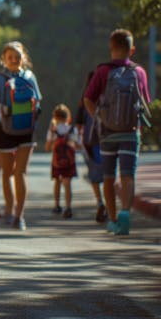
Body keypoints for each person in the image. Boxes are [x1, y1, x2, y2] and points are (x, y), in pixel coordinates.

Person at [83, 29, 151, 236]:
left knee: (109, 177)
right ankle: (124, 213)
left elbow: (88, 99)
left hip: (108, 134)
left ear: (111, 48)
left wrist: (100, 118)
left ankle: (113, 221)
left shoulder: (102, 71)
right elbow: (145, 102)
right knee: (128, 175)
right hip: (131, 132)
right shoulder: (139, 72)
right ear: (132, 49)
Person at [0, 41, 42, 231]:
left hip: (6, 131)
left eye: (16, 57)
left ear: (22, 58)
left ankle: (12, 212)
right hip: (27, 131)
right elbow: (38, 105)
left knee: (8, 174)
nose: (14, 60)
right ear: (4, 59)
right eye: (11, 57)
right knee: (19, 173)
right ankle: (19, 216)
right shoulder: (30, 76)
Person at [75, 71, 107, 223]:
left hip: (90, 143)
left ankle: (100, 202)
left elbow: (78, 125)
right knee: (109, 173)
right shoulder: (108, 98)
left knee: (94, 174)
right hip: (107, 140)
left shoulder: (84, 100)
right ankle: (108, 204)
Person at [44, 104, 78, 219]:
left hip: (56, 161)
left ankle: (57, 205)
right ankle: (68, 206)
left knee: (57, 182)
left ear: (55, 117)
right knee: (67, 183)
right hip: (69, 162)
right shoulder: (72, 129)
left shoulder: (53, 130)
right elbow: (77, 145)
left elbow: (47, 147)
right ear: (68, 116)